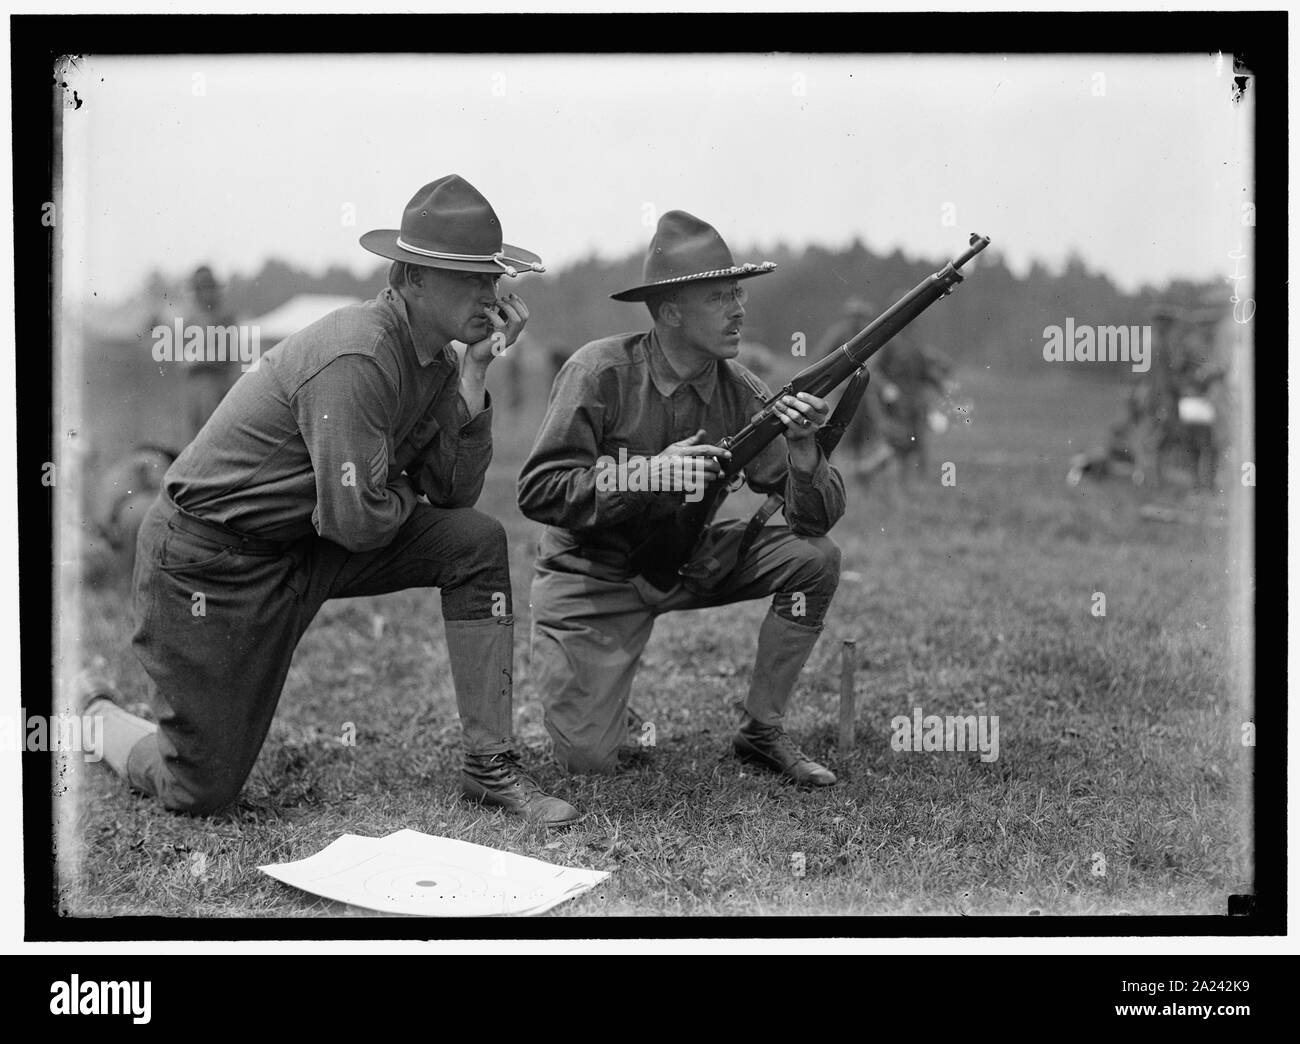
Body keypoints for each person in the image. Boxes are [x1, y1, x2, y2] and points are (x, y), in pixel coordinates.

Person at [72, 175, 580, 826]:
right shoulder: (359, 353)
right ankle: (95, 714)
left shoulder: (436, 363)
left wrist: (476, 372)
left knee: (475, 542)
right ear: (410, 279)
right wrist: (394, 490)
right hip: (209, 564)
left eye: (491, 278)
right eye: (467, 278)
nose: (490, 294)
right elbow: (358, 523)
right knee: (197, 788)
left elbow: (453, 494)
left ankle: (489, 764)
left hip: (306, 547)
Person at [518, 210, 845, 786]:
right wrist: (645, 475)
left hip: (686, 562)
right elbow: (539, 491)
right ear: (670, 311)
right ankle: (603, 702)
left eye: (738, 292)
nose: (739, 309)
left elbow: (814, 519)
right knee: (589, 761)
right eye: (719, 296)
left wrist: (802, 448)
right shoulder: (597, 373)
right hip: (592, 576)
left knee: (814, 560)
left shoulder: (740, 388)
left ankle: (761, 731)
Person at [182, 266, 241, 443]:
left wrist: (201, 360)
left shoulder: (225, 317)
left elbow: (228, 355)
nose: (203, 293)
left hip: (217, 384)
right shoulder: (190, 320)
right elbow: (182, 358)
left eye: (207, 287)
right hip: (195, 388)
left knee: (215, 437)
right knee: (194, 438)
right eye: (199, 288)